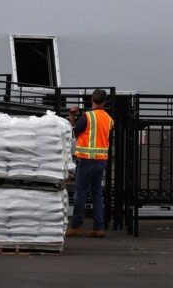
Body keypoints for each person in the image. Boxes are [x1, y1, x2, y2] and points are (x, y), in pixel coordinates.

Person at [66, 89, 114, 238]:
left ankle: (76, 227)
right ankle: (99, 228)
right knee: (97, 194)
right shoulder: (109, 119)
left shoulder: (87, 116)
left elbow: (73, 132)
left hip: (87, 160)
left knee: (80, 192)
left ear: (91, 100)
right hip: (101, 161)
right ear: (105, 102)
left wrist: (73, 115)